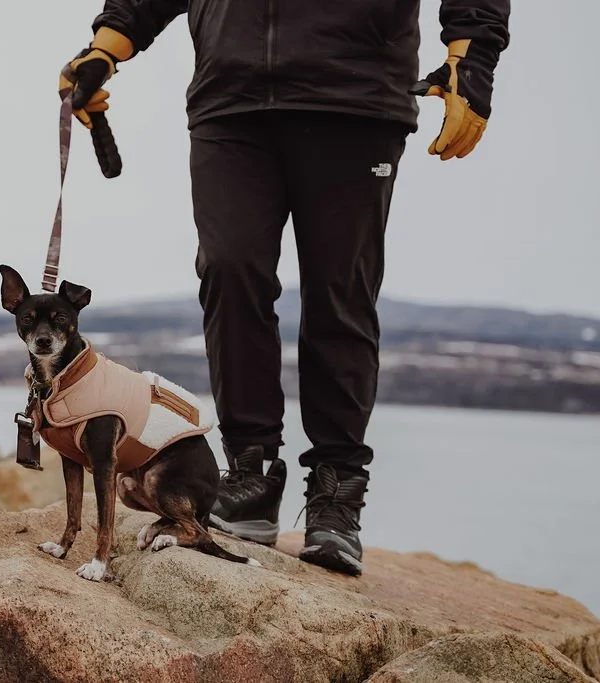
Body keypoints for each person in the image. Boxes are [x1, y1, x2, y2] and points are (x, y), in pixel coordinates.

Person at [59, 1, 510, 576]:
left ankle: (337, 496)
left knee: (339, 292)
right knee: (228, 270)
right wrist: (107, 45)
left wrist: (470, 56)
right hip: (232, 98)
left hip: (354, 93)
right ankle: (250, 474)